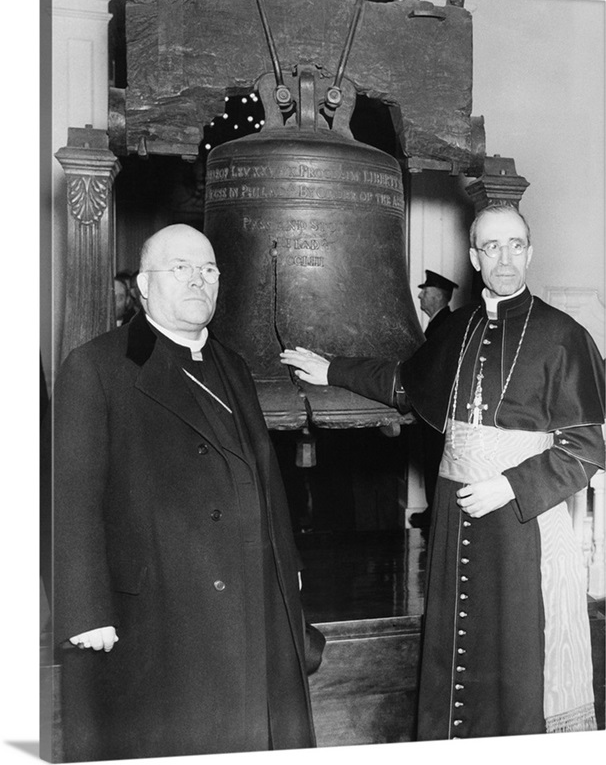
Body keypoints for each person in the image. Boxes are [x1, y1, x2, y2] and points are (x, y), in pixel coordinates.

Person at [280, 204, 605, 741]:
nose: (505, 258)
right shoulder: (458, 327)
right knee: (454, 650)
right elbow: (405, 384)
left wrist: (510, 486)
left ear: (530, 252)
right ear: (475, 257)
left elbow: (586, 447)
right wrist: (333, 369)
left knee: (516, 661)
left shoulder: (564, 335)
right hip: (456, 521)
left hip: (522, 527)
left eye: (515, 245)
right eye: (492, 247)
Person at [45, 224, 316, 761]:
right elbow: (67, 496)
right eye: (181, 268)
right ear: (144, 286)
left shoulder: (232, 364)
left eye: (209, 269)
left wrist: (290, 570)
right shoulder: (96, 365)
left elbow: (264, 478)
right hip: (159, 613)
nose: (198, 279)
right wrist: (83, 609)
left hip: (250, 600)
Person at [411, 270, 458, 530]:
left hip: (437, 412)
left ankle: (435, 518)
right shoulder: (440, 324)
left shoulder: (444, 326)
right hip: (435, 411)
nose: (420, 296)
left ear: (438, 296)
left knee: (435, 463)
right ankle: (434, 514)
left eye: (425, 292)